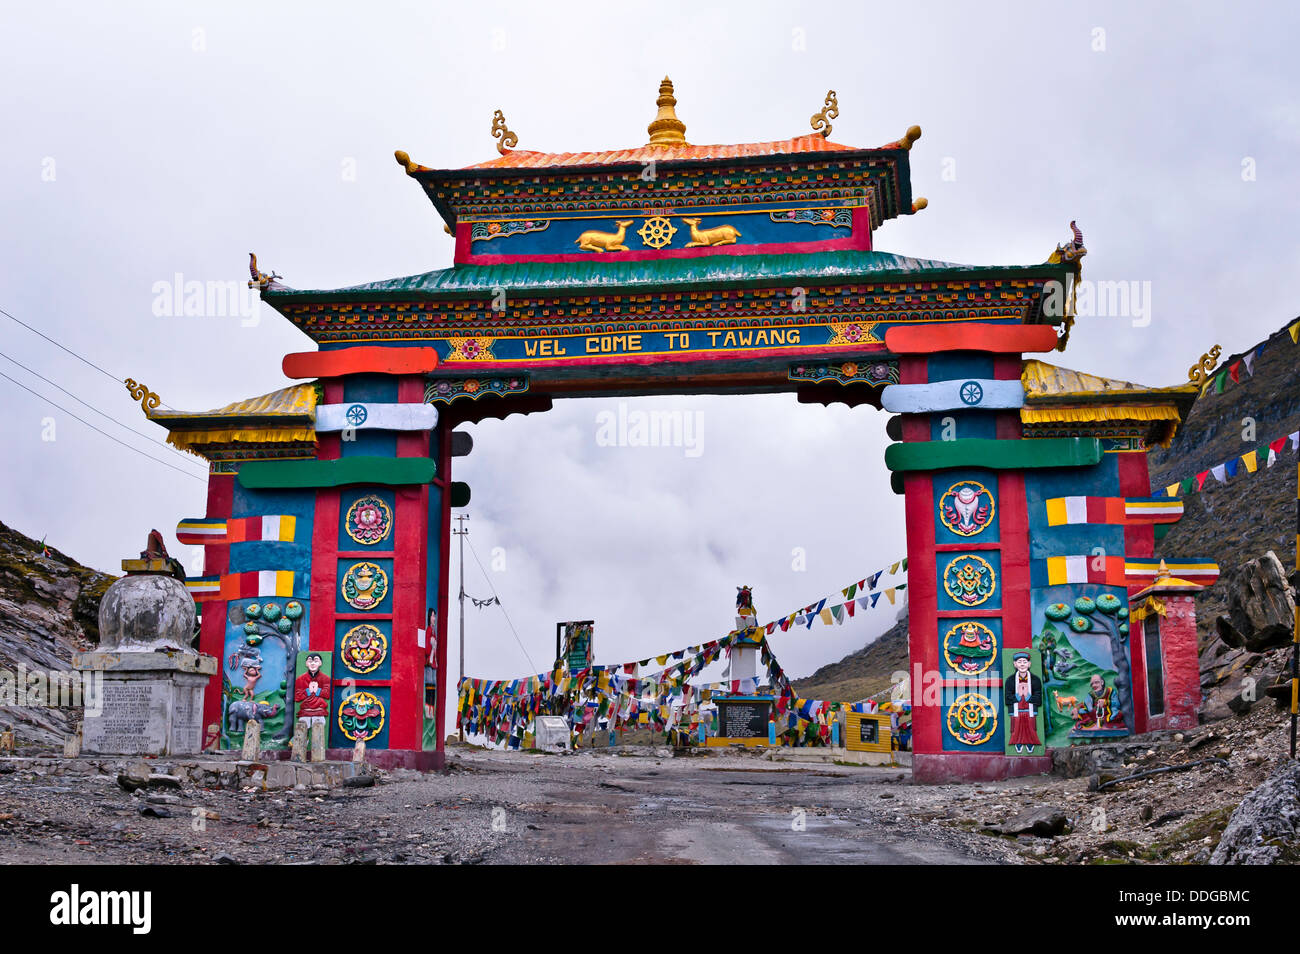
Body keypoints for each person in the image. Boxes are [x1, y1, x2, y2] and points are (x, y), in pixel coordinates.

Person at [1003, 651, 1042, 754]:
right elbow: (1007, 699)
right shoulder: (1010, 680)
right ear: (1015, 664)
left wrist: (1028, 696)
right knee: (1016, 728)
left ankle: (1030, 743)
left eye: (1025, 662)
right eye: (1019, 662)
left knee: (1030, 727)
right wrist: (1018, 696)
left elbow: (1038, 699)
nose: (1022, 664)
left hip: (1030, 710)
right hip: (1016, 710)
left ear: (1029, 664)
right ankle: (1018, 743)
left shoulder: (1035, 680)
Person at [294, 652, 331, 729]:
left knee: (319, 726)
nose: (313, 664)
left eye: (316, 661)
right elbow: (297, 697)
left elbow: (327, 695)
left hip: (319, 709)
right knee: (302, 726)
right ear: (306, 663)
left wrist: (317, 690)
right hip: (305, 709)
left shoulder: (326, 678)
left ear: (320, 663)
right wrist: (308, 691)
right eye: (310, 661)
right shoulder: (300, 679)